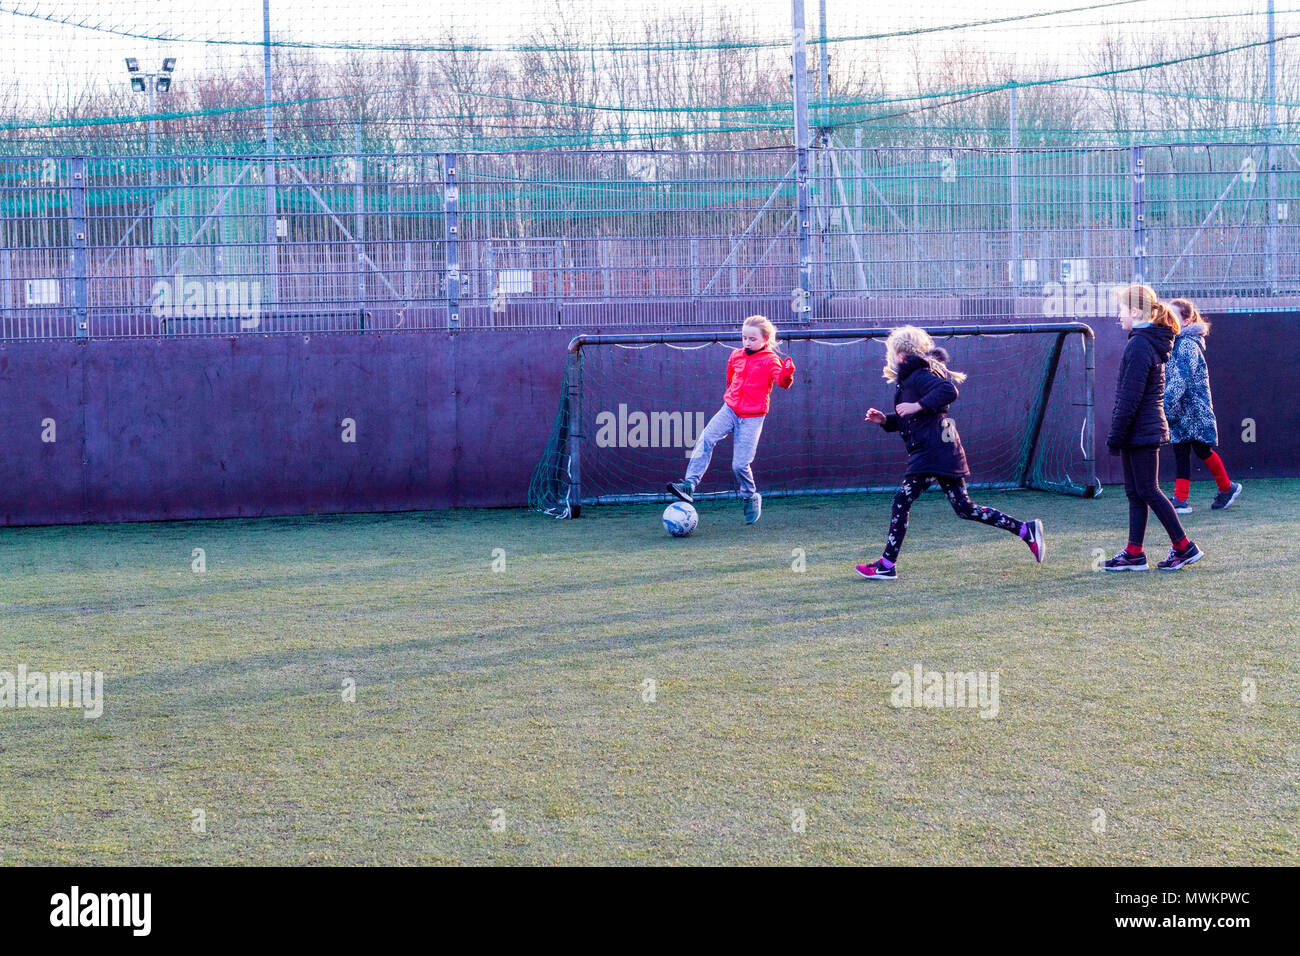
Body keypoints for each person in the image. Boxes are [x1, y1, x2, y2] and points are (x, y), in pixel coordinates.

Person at [855, 326, 1044, 581]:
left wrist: (915, 405)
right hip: (943, 450)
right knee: (964, 508)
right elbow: (915, 418)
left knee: (902, 500)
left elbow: (948, 391)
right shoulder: (914, 377)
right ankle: (1025, 530)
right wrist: (885, 420)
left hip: (932, 452)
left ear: (900, 354)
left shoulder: (920, 375)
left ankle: (887, 565)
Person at [1103, 284, 1202, 572]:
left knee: (1148, 490)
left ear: (1135, 311)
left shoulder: (1140, 344)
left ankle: (1184, 547)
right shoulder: (1142, 341)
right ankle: (1134, 554)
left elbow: (1130, 397)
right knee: (1136, 492)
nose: (1118, 316)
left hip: (1142, 430)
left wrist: (1115, 436)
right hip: (1139, 430)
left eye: (1122, 310)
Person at [667, 315, 795, 524]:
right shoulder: (736, 356)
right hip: (730, 409)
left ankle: (750, 496)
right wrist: (732, 401)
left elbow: (782, 382)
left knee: (739, 465)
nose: (747, 342)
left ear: (765, 339)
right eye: (744, 337)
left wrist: (788, 372)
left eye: (752, 339)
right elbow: (730, 380)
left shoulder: (771, 359)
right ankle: (689, 485)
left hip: (753, 417)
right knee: (706, 438)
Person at [1164, 298, 1242, 513]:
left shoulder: (1187, 344)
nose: (1167, 320)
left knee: (1201, 449)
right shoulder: (1177, 342)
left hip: (1193, 409)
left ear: (1186, 321)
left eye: (1173, 316)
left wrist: (1165, 404)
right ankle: (1184, 498)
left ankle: (1223, 488)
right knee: (1184, 450)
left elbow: (1181, 378)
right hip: (1182, 410)